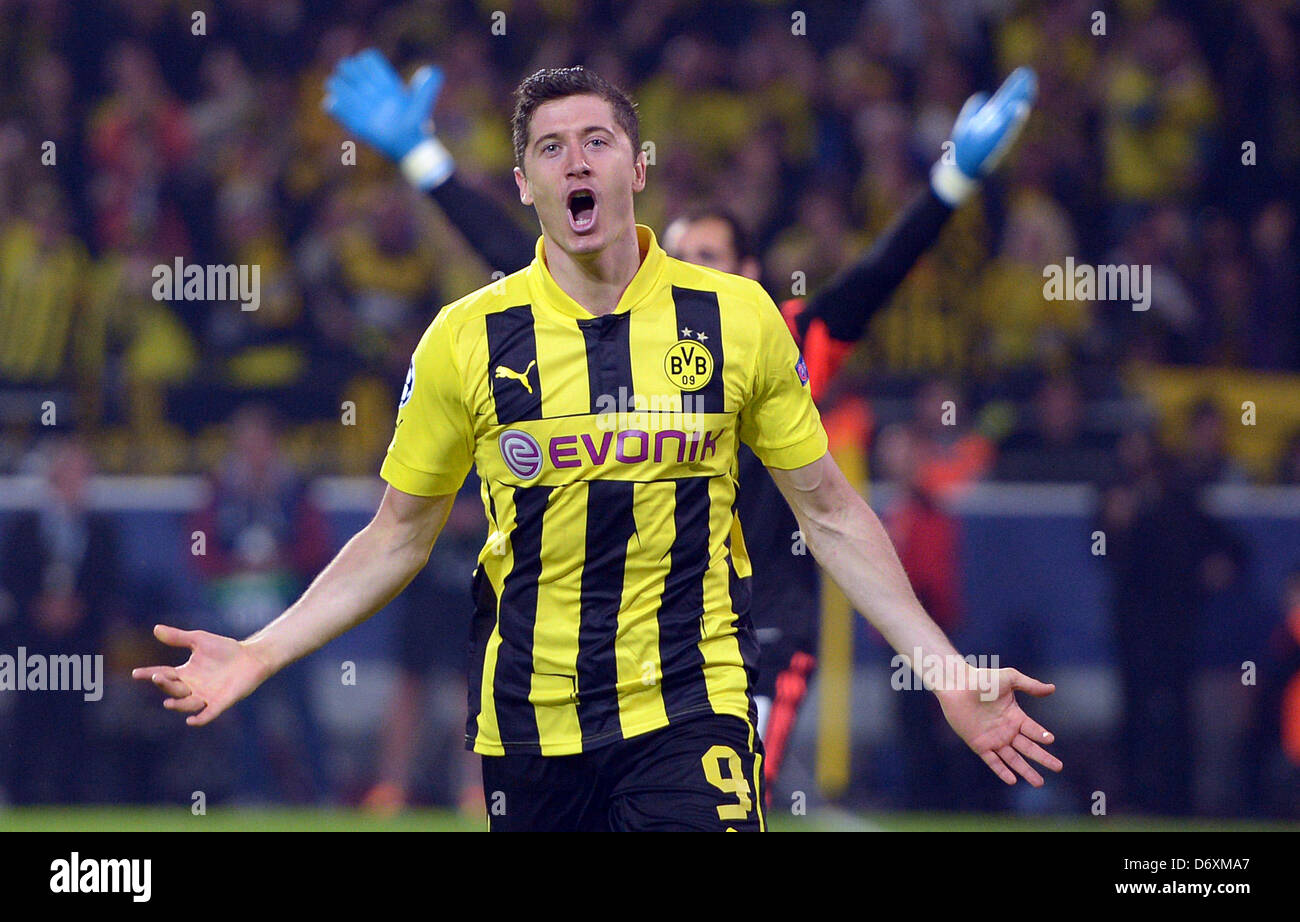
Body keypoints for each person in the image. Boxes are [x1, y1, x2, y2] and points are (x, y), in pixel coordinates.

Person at [137, 66, 1060, 831]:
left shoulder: (738, 320)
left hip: (692, 702)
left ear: (638, 168)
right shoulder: (468, 337)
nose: (574, 161)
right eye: (549, 147)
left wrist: (943, 669)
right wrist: (259, 652)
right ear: (525, 184)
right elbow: (395, 536)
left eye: (596, 142)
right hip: (527, 728)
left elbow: (827, 508)